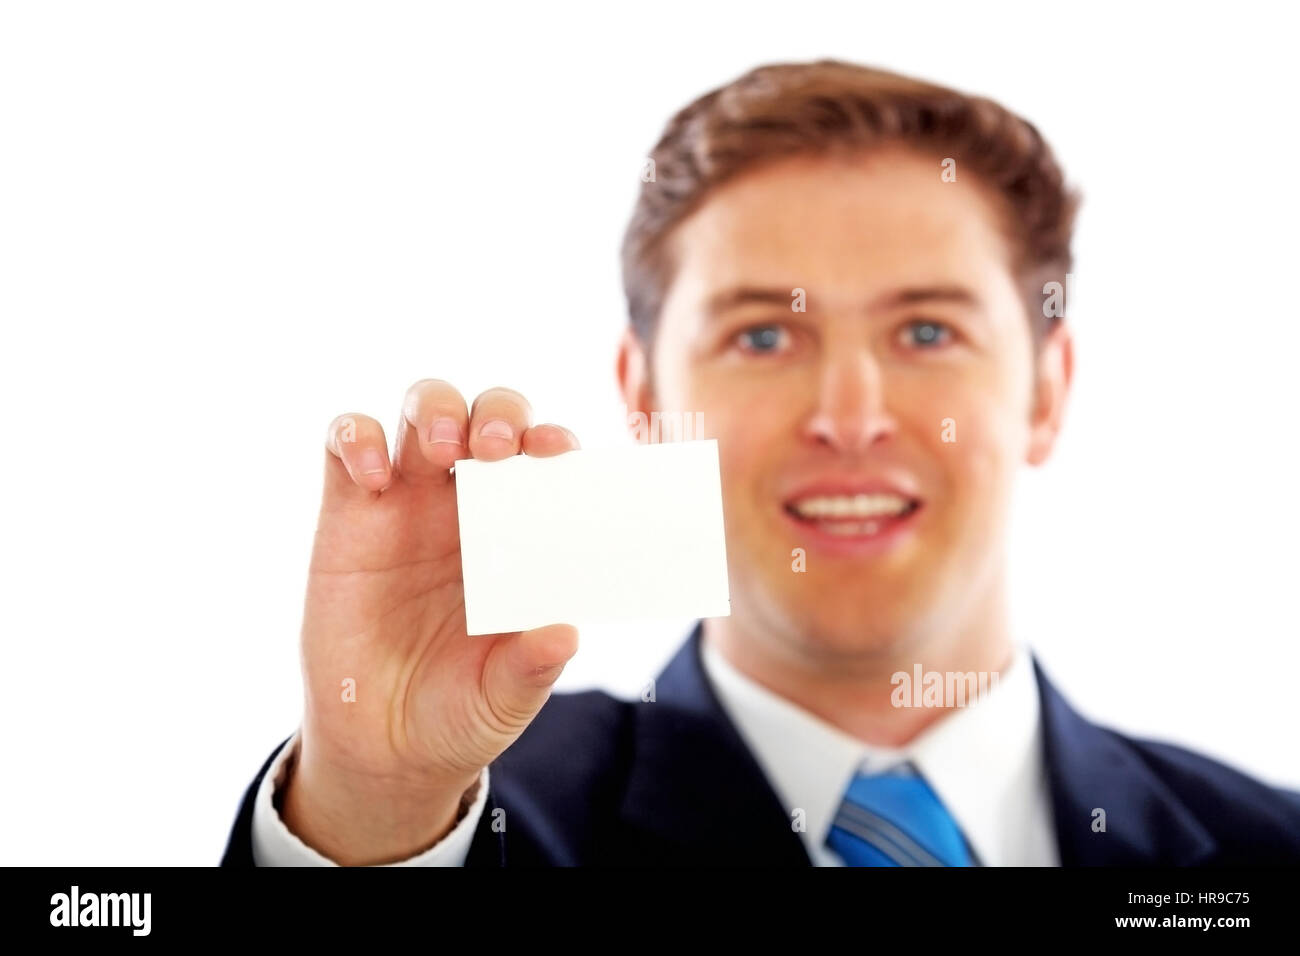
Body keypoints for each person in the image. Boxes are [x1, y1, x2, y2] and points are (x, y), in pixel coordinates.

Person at [221, 59, 1300, 866]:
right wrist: (371, 806)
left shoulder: (1260, 849)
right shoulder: (479, 823)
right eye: (764, 335)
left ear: (1047, 388)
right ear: (644, 395)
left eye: (926, 331)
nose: (848, 414)